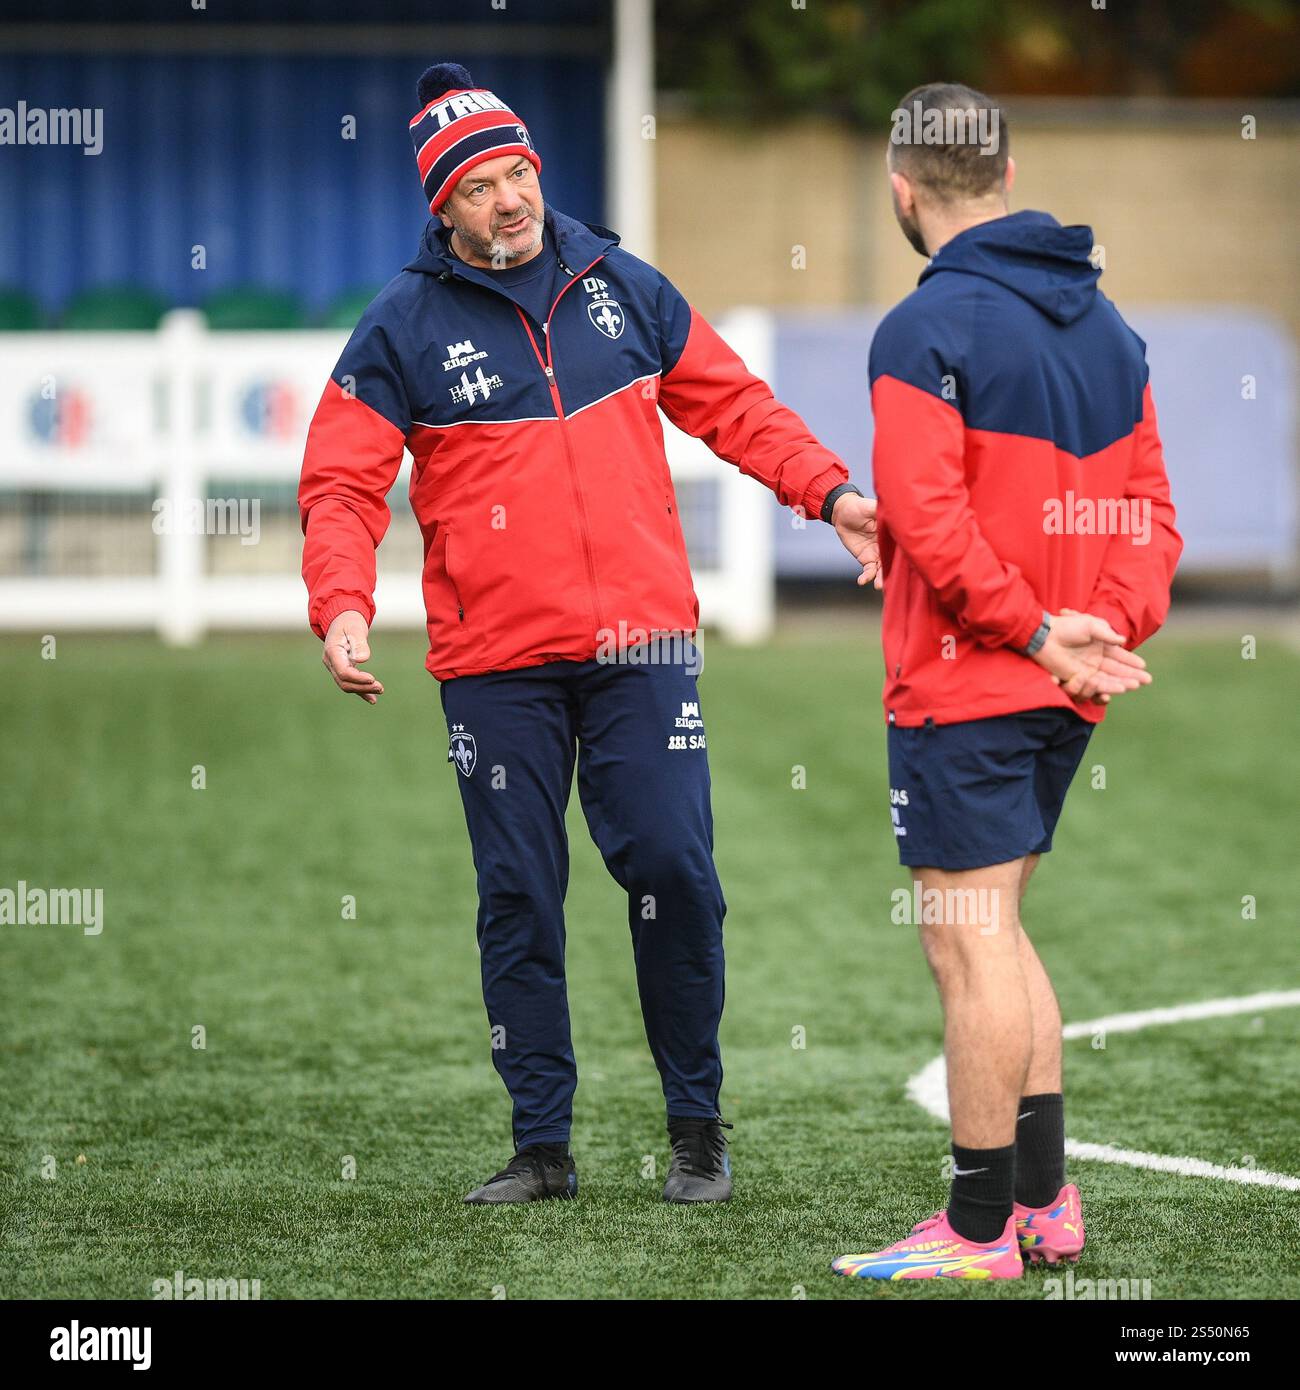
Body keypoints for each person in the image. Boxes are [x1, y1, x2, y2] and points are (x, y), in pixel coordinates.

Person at [298, 63, 879, 1205]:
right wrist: (343, 603)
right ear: (443, 208)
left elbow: (736, 405)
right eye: (480, 186)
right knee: (519, 892)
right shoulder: (399, 326)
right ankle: (542, 1147)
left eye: (519, 173)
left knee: (676, 872)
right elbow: (341, 483)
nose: (509, 199)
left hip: (645, 648)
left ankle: (696, 1129)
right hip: (495, 663)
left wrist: (832, 493)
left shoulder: (622, 284)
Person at [832, 83, 1181, 1279]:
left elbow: (927, 516)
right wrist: (1096, 626)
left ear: (902, 188)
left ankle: (978, 1230)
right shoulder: (1110, 328)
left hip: (973, 677)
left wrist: (1036, 631)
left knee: (966, 936)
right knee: (1001, 927)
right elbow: (1151, 519)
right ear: (1006, 173)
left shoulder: (919, 330)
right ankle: (1044, 1200)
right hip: (1056, 684)